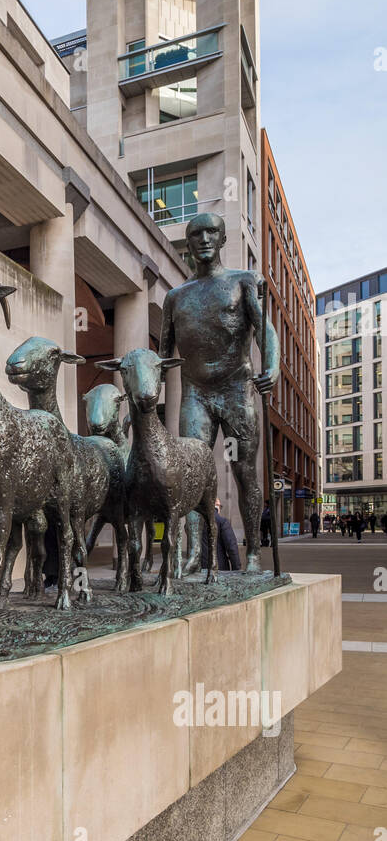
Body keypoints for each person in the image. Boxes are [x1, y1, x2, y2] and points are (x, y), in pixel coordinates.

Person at [160, 213, 279, 575]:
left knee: (244, 472)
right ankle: (195, 551)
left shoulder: (243, 282)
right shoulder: (175, 297)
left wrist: (271, 368)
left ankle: (255, 550)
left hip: (236, 388)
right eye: (196, 234)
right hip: (195, 392)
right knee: (192, 473)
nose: (205, 239)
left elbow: (265, 331)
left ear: (223, 239)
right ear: (188, 244)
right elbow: (164, 355)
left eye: (212, 232)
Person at [201, 498, 241, 572]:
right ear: (217, 505)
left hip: (199, 569)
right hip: (219, 568)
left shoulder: (196, 523)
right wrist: (236, 569)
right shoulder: (222, 522)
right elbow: (232, 547)